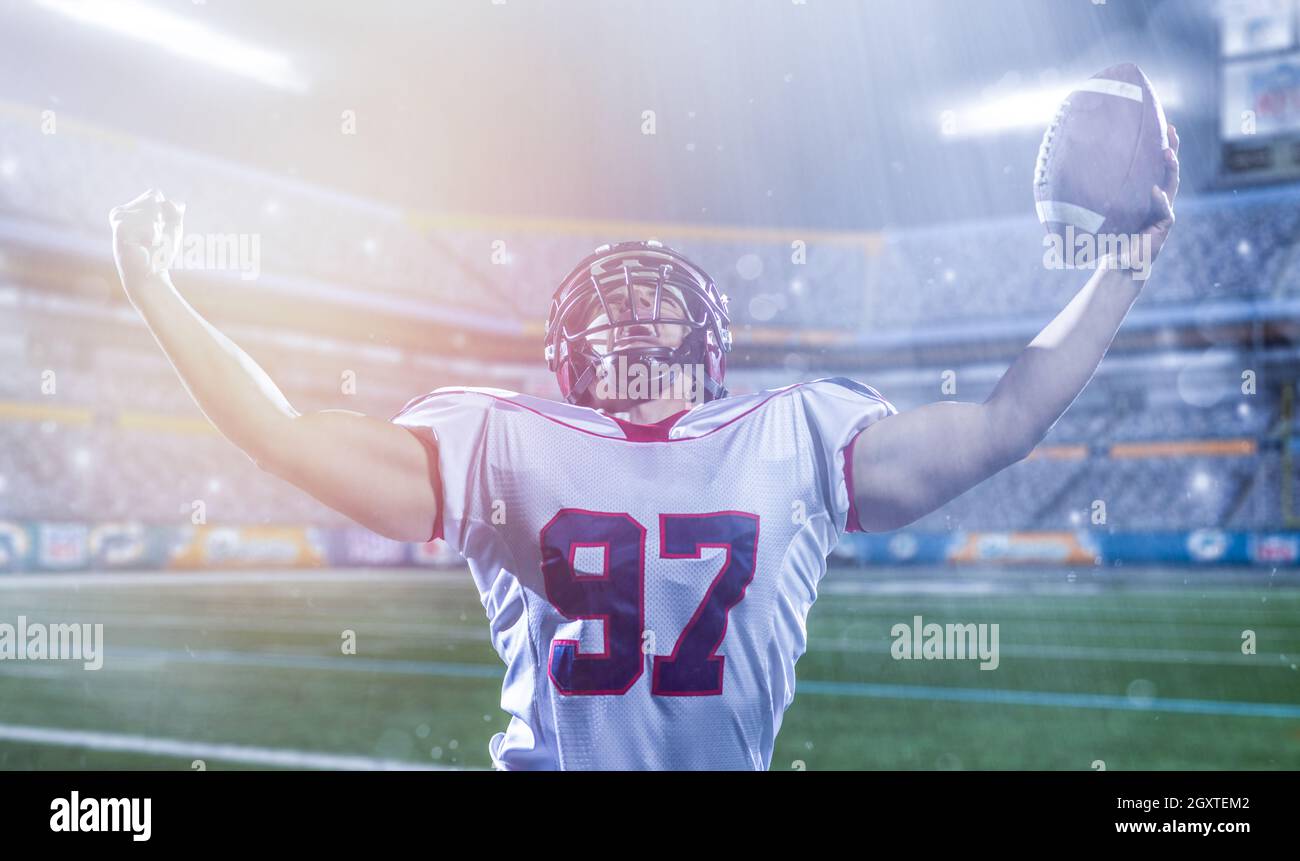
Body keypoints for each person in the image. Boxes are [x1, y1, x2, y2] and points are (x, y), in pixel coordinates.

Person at [107, 125, 1179, 769]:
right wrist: (1121, 265)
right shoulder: (795, 432)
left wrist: (153, 288)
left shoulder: (500, 438)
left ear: (567, 355)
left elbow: (279, 435)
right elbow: (1007, 421)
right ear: (708, 345)